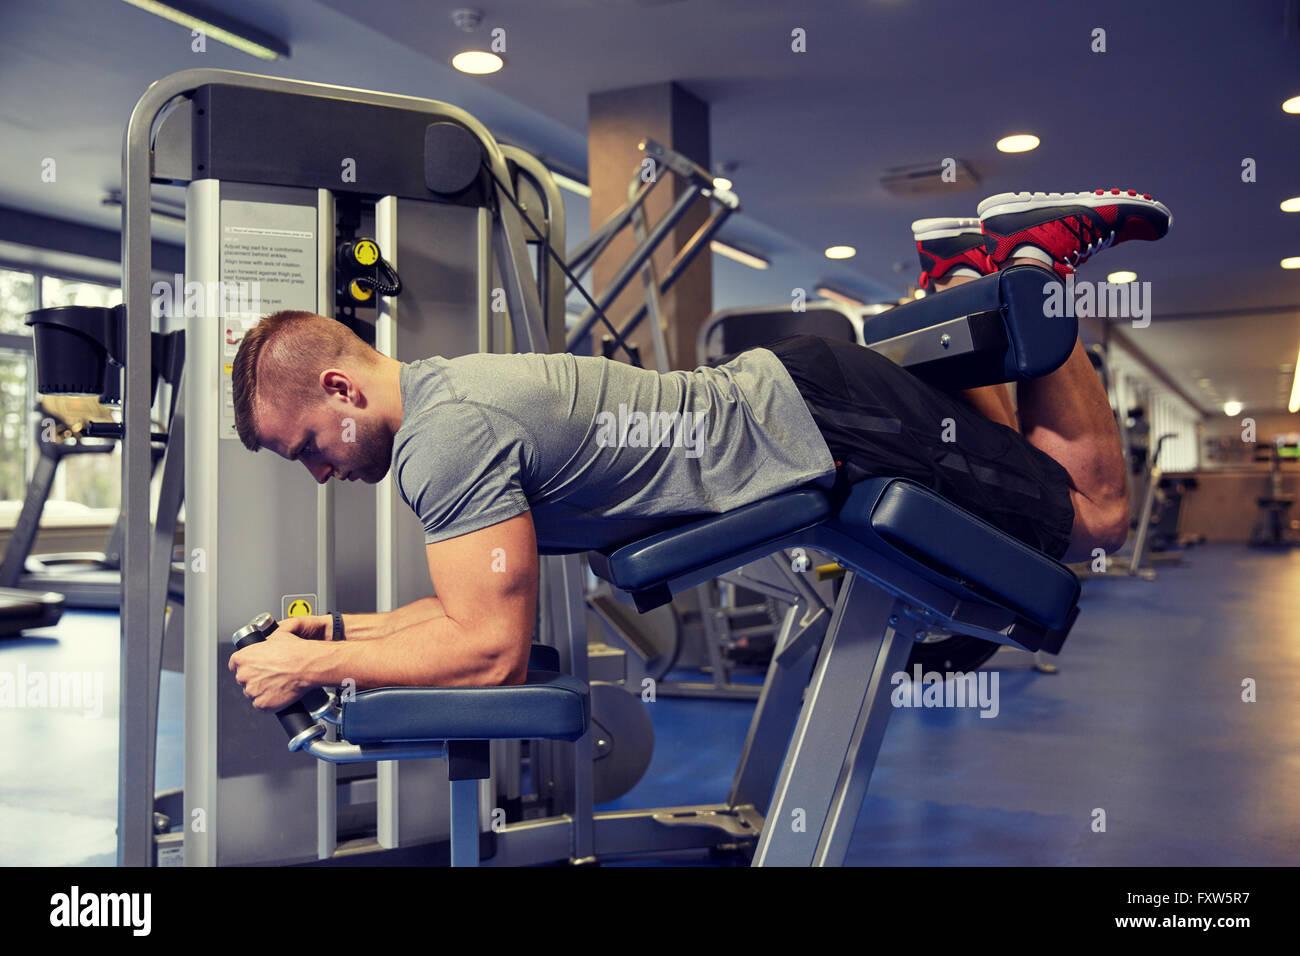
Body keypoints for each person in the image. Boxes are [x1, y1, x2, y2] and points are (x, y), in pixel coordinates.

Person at [228, 188, 1170, 709]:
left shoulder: (446, 438)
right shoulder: (444, 408)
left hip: (825, 422)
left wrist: (308, 667)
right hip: (813, 407)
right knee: (1006, 468)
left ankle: (1036, 260)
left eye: (307, 445)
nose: (319, 472)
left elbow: (490, 653)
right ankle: (969, 269)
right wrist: (342, 634)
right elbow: (462, 606)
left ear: (341, 388)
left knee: (1090, 518)